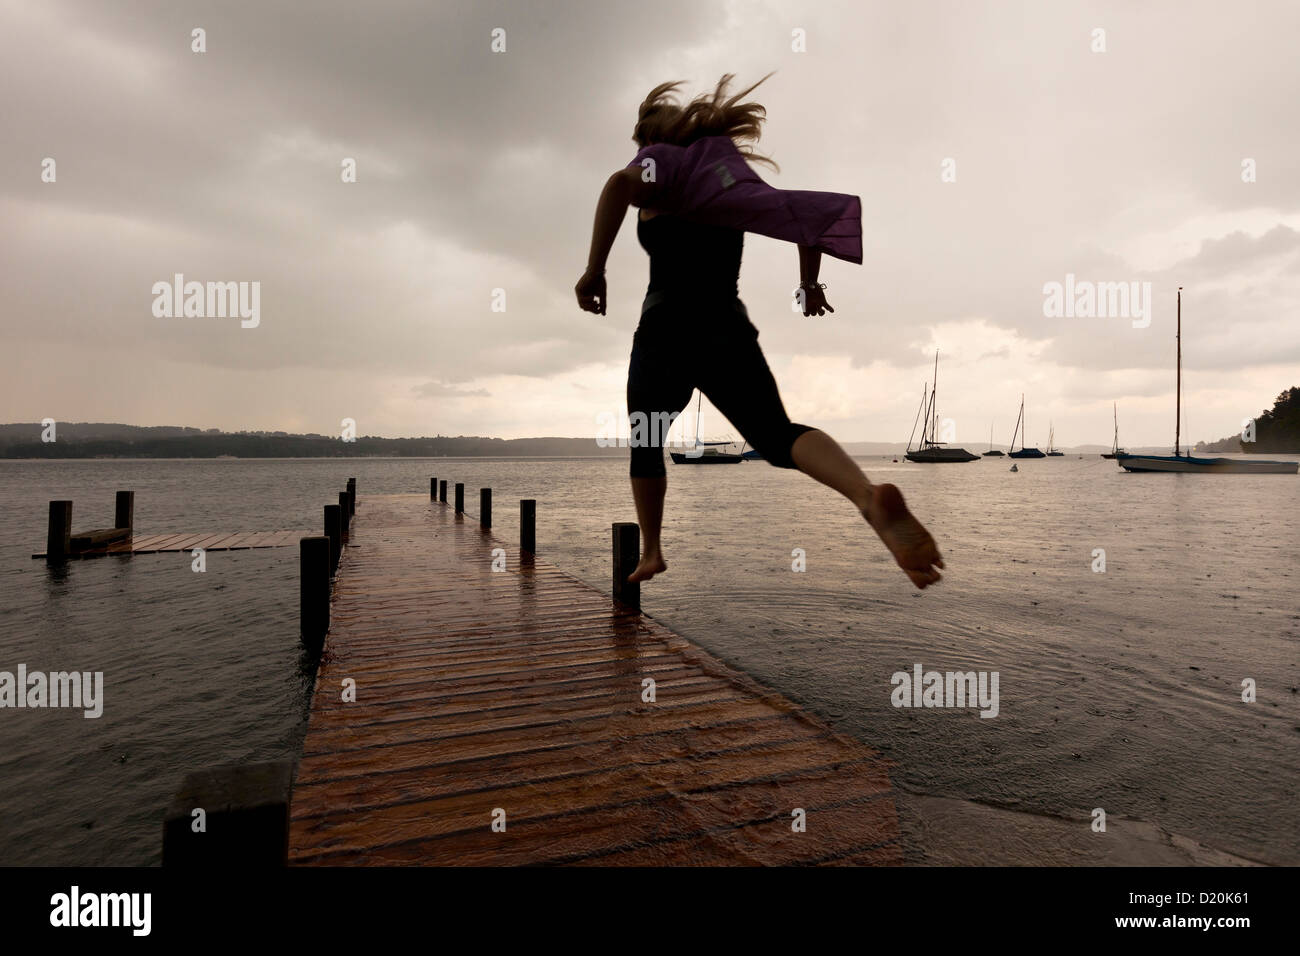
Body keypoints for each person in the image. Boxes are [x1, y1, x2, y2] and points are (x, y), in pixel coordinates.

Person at [574, 74, 944, 590]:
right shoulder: (726, 176)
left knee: (647, 438)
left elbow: (617, 185)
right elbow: (798, 218)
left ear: (651, 140)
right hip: (726, 326)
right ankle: (865, 496)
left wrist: (595, 271)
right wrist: (809, 283)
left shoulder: (658, 163)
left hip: (665, 326)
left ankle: (654, 550)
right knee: (776, 436)